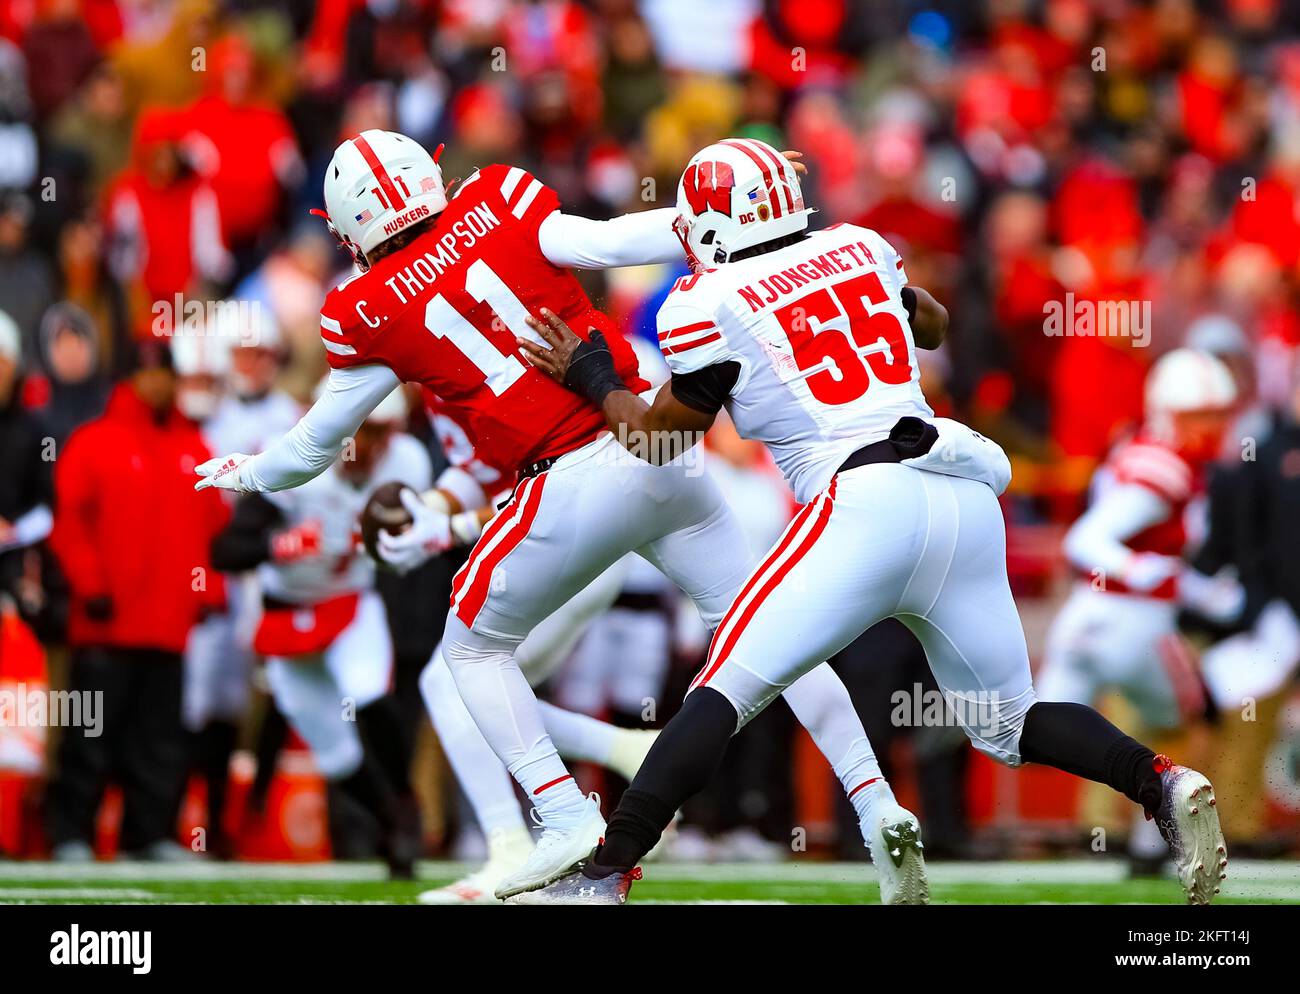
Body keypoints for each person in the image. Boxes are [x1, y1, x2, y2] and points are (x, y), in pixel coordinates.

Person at [195, 130, 925, 904]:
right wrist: (738, 205)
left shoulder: (362, 309)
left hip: (571, 474)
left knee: (468, 652)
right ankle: (875, 800)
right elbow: (616, 241)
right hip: (657, 446)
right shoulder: (498, 199)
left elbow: (313, 446)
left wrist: (244, 473)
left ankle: (562, 813)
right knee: (771, 640)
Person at [512, 137, 1227, 905]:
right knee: (1009, 723)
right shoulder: (859, 245)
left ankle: (602, 877)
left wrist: (593, 379)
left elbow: (660, 438)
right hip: (957, 492)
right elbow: (935, 325)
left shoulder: (703, 304)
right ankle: (1161, 784)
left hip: (861, 504)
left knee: (720, 690)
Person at [1038, 349, 1241, 873]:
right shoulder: (1164, 465)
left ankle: (1146, 843)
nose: (1214, 426)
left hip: (1085, 616)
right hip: (1132, 623)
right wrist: (1153, 572)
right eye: (1201, 414)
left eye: (1218, 413)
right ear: (1168, 412)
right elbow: (1088, 541)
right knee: (1191, 719)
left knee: (1027, 733)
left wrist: (1194, 588)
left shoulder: (1142, 450)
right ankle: (1162, 846)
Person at [209, 388, 427, 877]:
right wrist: (279, 543)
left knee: (369, 693)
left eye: (380, 434)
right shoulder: (294, 461)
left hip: (350, 603)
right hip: (287, 617)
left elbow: (416, 537)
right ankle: (389, 821)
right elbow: (225, 550)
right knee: (335, 754)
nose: (369, 446)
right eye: (362, 431)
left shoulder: (406, 464)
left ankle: (406, 808)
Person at [47, 339, 227, 861]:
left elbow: (212, 528)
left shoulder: (194, 446)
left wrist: (207, 590)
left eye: (164, 375)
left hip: (168, 624)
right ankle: (72, 834)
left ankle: (147, 836)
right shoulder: (94, 441)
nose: (156, 384)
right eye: (146, 375)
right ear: (127, 381)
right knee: (91, 736)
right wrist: (91, 586)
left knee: (160, 742)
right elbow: (70, 524)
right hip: (107, 622)